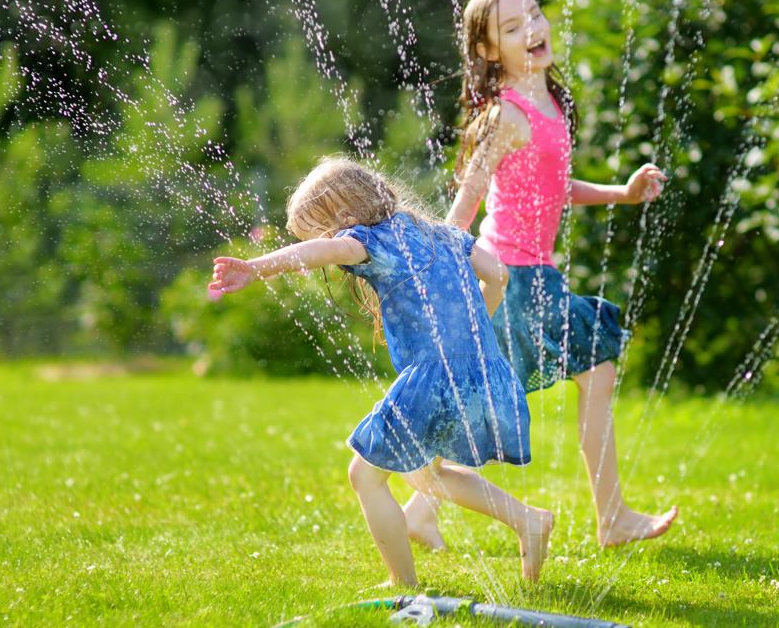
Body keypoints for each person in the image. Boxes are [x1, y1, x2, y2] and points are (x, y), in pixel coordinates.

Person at [404, 0, 677, 550]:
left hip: (534, 278)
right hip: (512, 279)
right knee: (564, 378)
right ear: (486, 51)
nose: (531, 28)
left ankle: (420, 506)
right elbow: (472, 191)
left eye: (534, 14)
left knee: (489, 397)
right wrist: (446, 257)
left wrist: (621, 194)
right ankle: (612, 518)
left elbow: (552, 187)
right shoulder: (506, 114)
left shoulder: (550, 102)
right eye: (511, 27)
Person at [208, 155, 552, 586]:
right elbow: (498, 274)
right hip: (484, 372)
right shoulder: (442, 234)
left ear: (345, 217)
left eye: (325, 229)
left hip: (434, 378)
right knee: (424, 473)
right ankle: (527, 519)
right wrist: (472, 329)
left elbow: (321, 253)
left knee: (364, 476)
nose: (333, 243)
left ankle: (404, 587)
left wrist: (256, 268)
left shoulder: (369, 239)